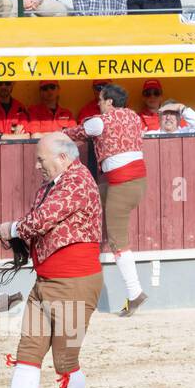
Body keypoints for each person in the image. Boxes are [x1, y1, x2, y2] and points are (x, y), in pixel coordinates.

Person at [0, 132, 104, 388]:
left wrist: (4, 228)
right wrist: (1, 233)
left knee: (65, 359)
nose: (36, 166)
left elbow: (39, 221)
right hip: (46, 281)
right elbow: (32, 228)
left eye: (40, 160)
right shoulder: (50, 187)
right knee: (29, 352)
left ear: (62, 157)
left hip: (75, 284)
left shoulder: (78, 181)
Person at [64, 83, 148, 316]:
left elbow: (75, 133)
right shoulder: (134, 117)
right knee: (89, 201)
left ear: (110, 102)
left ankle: (135, 293)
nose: (98, 103)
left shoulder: (99, 122)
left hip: (121, 185)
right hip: (134, 183)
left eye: (100, 100)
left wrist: (56, 134)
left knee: (118, 241)